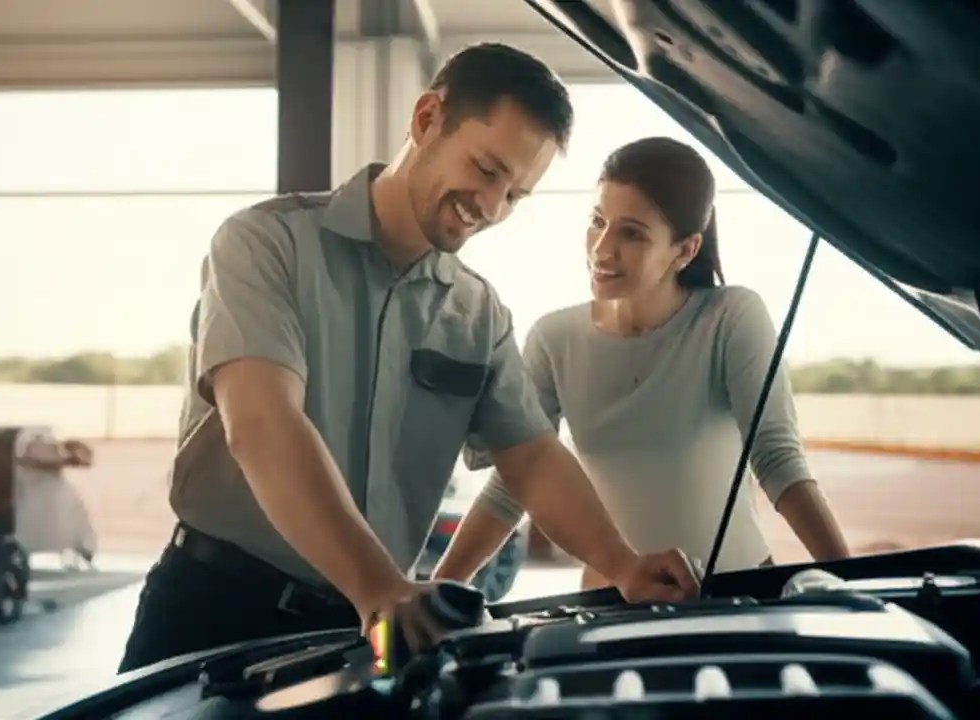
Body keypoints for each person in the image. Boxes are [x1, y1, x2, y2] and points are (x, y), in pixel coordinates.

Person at [116, 45, 701, 674]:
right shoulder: (265, 245)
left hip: (365, 626)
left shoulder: (478, 313)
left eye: (516, 194)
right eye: (485, 169)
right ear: (426, 120)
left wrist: (624, 566)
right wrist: (378, 587)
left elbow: (531, 457)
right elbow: (261, 424)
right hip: (214, 611)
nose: (493, 206)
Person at [432, 136, 852, 592]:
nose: (602, 249)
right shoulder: (554, 339)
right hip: (607, 601)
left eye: (631, 233)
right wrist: (439, 588)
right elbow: (515, 481)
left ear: (685, 250)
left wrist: (856, 583)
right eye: (598, 222)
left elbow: (777, 459)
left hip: (735, 593)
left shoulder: (731, 317)